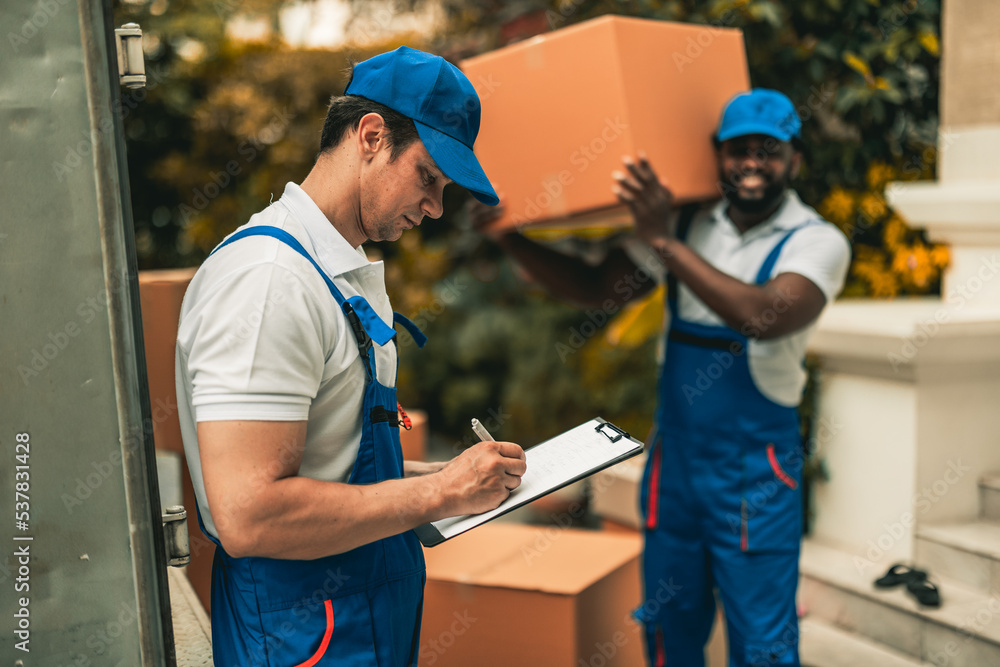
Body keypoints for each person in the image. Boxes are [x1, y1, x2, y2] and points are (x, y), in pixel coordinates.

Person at [174, 46, 527, 667]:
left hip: (354, 622)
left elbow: (333, 470)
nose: (435, 208)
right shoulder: (269, 282)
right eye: (427, 177)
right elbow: (251, 515)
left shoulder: (335, 273)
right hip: (301, 636)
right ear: (370, 136)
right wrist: (440, 493)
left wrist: (461, 481)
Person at [485, 89, 851, 666]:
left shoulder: (816, 240)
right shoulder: (686, 220)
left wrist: (663, 241)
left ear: (794, 160)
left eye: (768, 150)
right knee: (667, 626)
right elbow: (598, 287)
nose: (752, 163)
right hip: (676, 468)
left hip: (756, 473)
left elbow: (763, 315)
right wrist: (509, 236)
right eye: (738, 150)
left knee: (764, 639)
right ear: (718, 156)